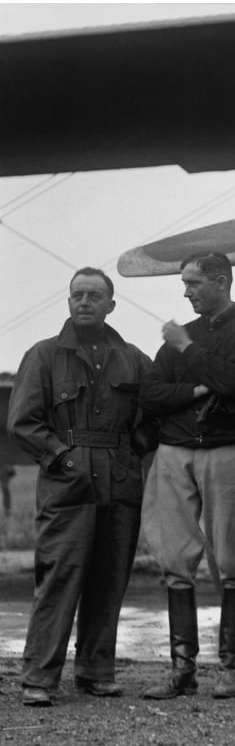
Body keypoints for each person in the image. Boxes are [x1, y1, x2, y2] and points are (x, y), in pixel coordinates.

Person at [7, 268, 156, 706]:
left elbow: (156, 413)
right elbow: (22, 423)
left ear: (111, 304)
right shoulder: (43, 356)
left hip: (120, 481)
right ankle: (39, 676)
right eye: (77, 295)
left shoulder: (132, 358)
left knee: (109, 578)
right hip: (67, 485)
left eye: (94, 295)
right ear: (68, 302)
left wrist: (132, 450)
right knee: (60, 575)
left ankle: (96, 670)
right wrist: (62, 457)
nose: (84, 302)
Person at [139, 251, 235, 700]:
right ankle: (183, 670)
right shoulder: (182, 337)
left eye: (194, 283)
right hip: (175, 452)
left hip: (229, 452)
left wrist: (187, 350)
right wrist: (197, 389)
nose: (186, 291)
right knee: (174, 559)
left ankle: (230, 669)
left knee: (233, 558)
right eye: (185, 283)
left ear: (221, 281)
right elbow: (151, 395)